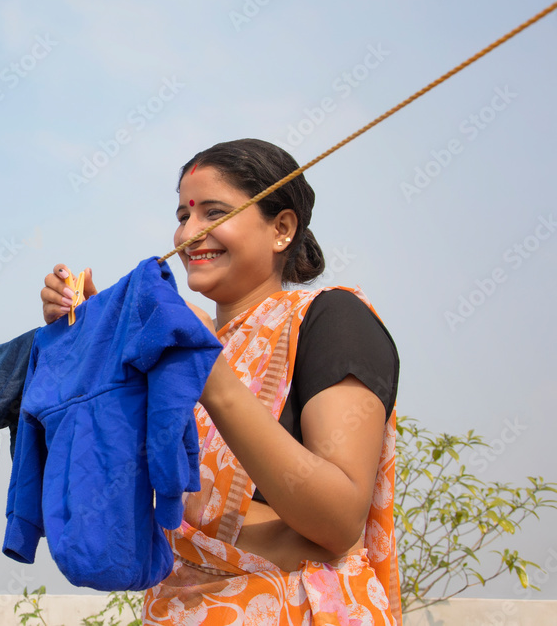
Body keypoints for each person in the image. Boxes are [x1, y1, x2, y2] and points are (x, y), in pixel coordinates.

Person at [40, 139, 401, 624]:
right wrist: (97, 336)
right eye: (183, 215)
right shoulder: (173, 356)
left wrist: (208, 371)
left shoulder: (329, 318)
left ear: (282, 228)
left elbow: (338, 521)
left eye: (213, 212)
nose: (189, 233)